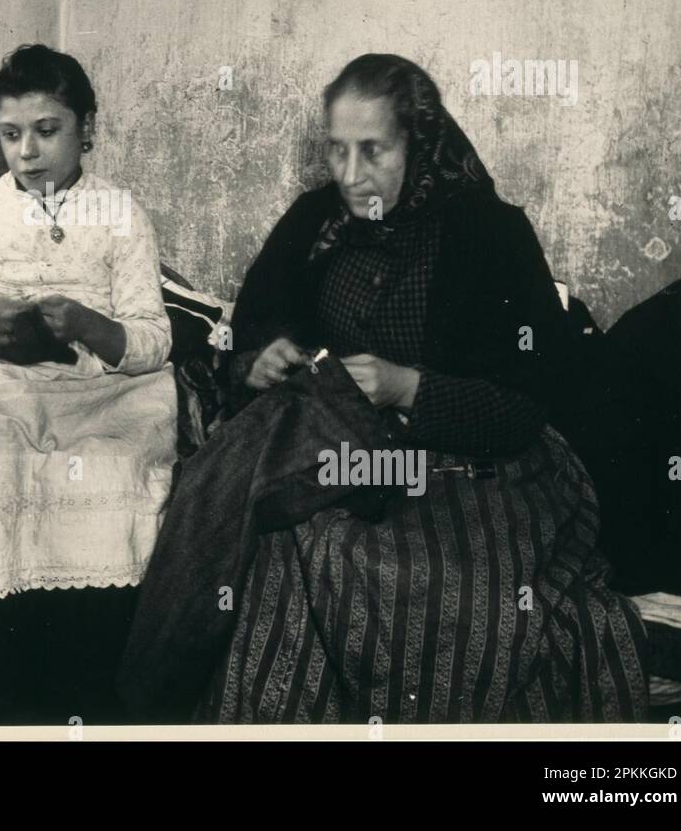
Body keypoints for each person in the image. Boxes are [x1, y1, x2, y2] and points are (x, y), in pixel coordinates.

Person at [121, 53, 647, 723]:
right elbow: (250, 328)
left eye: (374, 151)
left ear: (420, 145)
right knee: (285, 545)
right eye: (337, 151)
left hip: (473, 465)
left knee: (389, 573)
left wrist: (409, 389)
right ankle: (159, 710)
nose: (350, 174)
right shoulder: (314, 222)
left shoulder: (488, 233)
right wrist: (256, 361)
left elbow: (524, 404)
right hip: (337, 451)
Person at [0, 44, 177, 719]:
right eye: (11, 134)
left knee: (122, 451)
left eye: (47, 131)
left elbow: (155, 340)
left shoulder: (120, 215)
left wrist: (90, 322)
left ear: (88, 130)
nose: (27, 151)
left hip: (106, 387)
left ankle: (90, 679)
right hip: (12, 383)